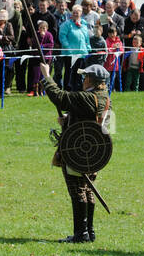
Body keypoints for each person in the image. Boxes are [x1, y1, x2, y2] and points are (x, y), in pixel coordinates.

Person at [39, 61, 112, 243]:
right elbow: (93, 120)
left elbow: (60, 97)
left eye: (86, 77)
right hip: (94, 153)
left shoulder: (87, 97)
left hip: (78, 151)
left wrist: (47, 76)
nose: (83, 80)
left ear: (92, 81)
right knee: (87, 190)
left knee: (78, 190)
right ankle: (88, 232)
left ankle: (81, 235)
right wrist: (70, 118)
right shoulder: (105, 98)